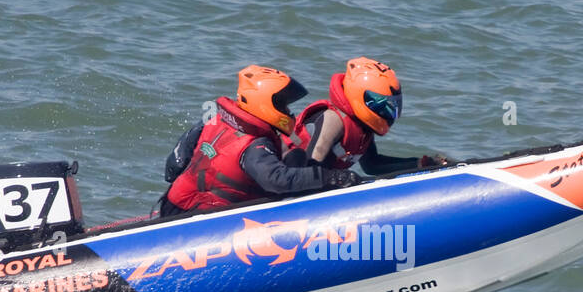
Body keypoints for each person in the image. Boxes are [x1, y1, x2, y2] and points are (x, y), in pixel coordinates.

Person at [161, 65, 359, 216]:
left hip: (172, 204)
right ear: (265, 103)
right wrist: (331, 178)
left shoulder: (214, 119)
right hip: (198, 219)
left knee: (296, 157)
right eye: (284, 105)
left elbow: (174, 165)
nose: (289, 112)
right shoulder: (254, 144)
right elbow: (277, 180)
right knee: (292, 166)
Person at [281, 57, 450, 174]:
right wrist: (338, 180)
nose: (387, 112)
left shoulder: (362, 127)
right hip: (280, 188)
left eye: (392, 105)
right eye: (380, 103)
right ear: (359, 96)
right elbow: (309, 169)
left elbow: (372, 166)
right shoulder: (334, 120)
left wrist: (419, 164)